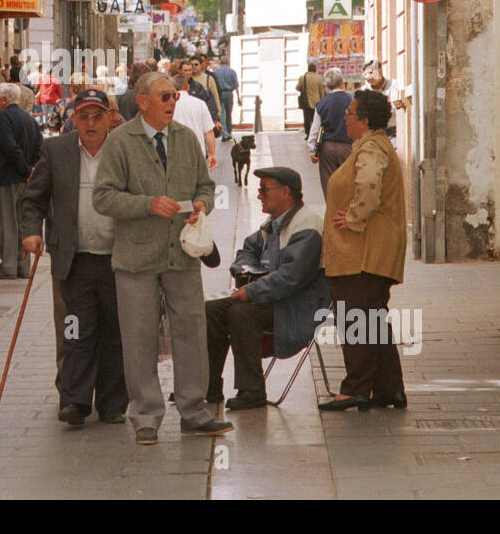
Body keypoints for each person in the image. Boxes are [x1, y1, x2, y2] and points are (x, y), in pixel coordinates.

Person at [92, 71, 233, 445]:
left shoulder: (187, 140)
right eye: (165, 96)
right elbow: (102, 197)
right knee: (139, 337)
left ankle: (194, 411)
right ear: (142, 101)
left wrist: (201, 202)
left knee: (191, 331)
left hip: (182, 254)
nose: (173, 103)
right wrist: (146, 204)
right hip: (136, 258)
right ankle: (146, 415)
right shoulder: (121, 141)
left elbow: (205, 184)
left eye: (174, 96)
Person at [19, 89, 129, 427]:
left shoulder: (125, 149)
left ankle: (112, 404)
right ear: (73, 119)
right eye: (84, 116)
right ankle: (74, 401)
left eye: (98, 116)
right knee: (74, 329)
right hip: (75, 258)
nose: (91, 123)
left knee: (115, 331)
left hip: (118, 259)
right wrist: (31, 231)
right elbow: (32, 198)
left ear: (111, 117)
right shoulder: (57, 150)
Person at [205, 167, 330, 410]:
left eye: (264, 189)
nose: (259, 194)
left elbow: (292, 277)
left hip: (299, 305)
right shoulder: (273, 222)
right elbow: (247, 249)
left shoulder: (307, 226)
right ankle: (209, 385)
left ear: (286, 192)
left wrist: (251, 291)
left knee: (241, 312)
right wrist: (244, 269)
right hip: (273, 298)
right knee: (211, 310)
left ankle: (252, 390)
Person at [320, 89, 408, 411]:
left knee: (356, 318)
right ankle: (389, 388)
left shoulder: (371, 148)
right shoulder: (375, 145)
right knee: (372, 318)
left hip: (363, 253)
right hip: (370, 252)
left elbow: (369, 185)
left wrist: (354, 217)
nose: (345, 116)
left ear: (364, 119)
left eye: (350, 112)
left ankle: (355, 388)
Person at [0, 83, 43, 280]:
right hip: (25, 181)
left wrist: (25, 169)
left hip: (6, 179)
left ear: (4, 99)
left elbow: (9, 147)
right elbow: (39, 148)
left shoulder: (3, 118)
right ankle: (23, 266)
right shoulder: (29, 119)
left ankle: (8, 266)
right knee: (21, 223)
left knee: (7, 223)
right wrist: (31, 170)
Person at [307, 67, 352, 197]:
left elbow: (316, 130)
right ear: (342, 82)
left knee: (329, 185)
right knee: (348, 184)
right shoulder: (352, 100)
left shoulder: (322, 104)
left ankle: (332, 210)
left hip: (328, 148)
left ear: (327, 85)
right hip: (348, 146)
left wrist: (313, 151)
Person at [169, 72, 219, 171]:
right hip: (197, 152)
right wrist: (212, 154)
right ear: (188, 87)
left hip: (175, 153)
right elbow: (209, 132)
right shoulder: (200, 104)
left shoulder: (169, 105)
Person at [362, 60, 404, 147]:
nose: (369, 77)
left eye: (371, 72)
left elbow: (394, 108)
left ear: (379, 70)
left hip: (392, 133)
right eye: (365, 74)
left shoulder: (394, 85)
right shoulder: (363, 91)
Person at [213, 55, 240, 141]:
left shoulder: (215, 71)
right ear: (228, 62)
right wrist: (239, 98)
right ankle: (229, 131)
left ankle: (224, 134)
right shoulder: (232, 72)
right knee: (229, 113)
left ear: (220, 62)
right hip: (229, 93)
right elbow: (236, 86)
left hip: (220, 93)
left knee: (222, 113)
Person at [187, 56, 220, 125]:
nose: (194, 67)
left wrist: (218, 116)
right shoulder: (187, 80)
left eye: (196, 64)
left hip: (206, 114)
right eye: (191, 65)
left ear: (201, 65)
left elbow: (215, 96)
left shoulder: (209, 79)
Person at [295, 63, 324, 139]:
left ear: (308, 69)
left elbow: (297, 88)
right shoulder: (319, 78)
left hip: (306, 102)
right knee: (316, 120)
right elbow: (322, 92)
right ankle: (316, 134)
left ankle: (308, 134)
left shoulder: (303, 78)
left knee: (307, 120)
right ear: (315, 69)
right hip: (316, 102)